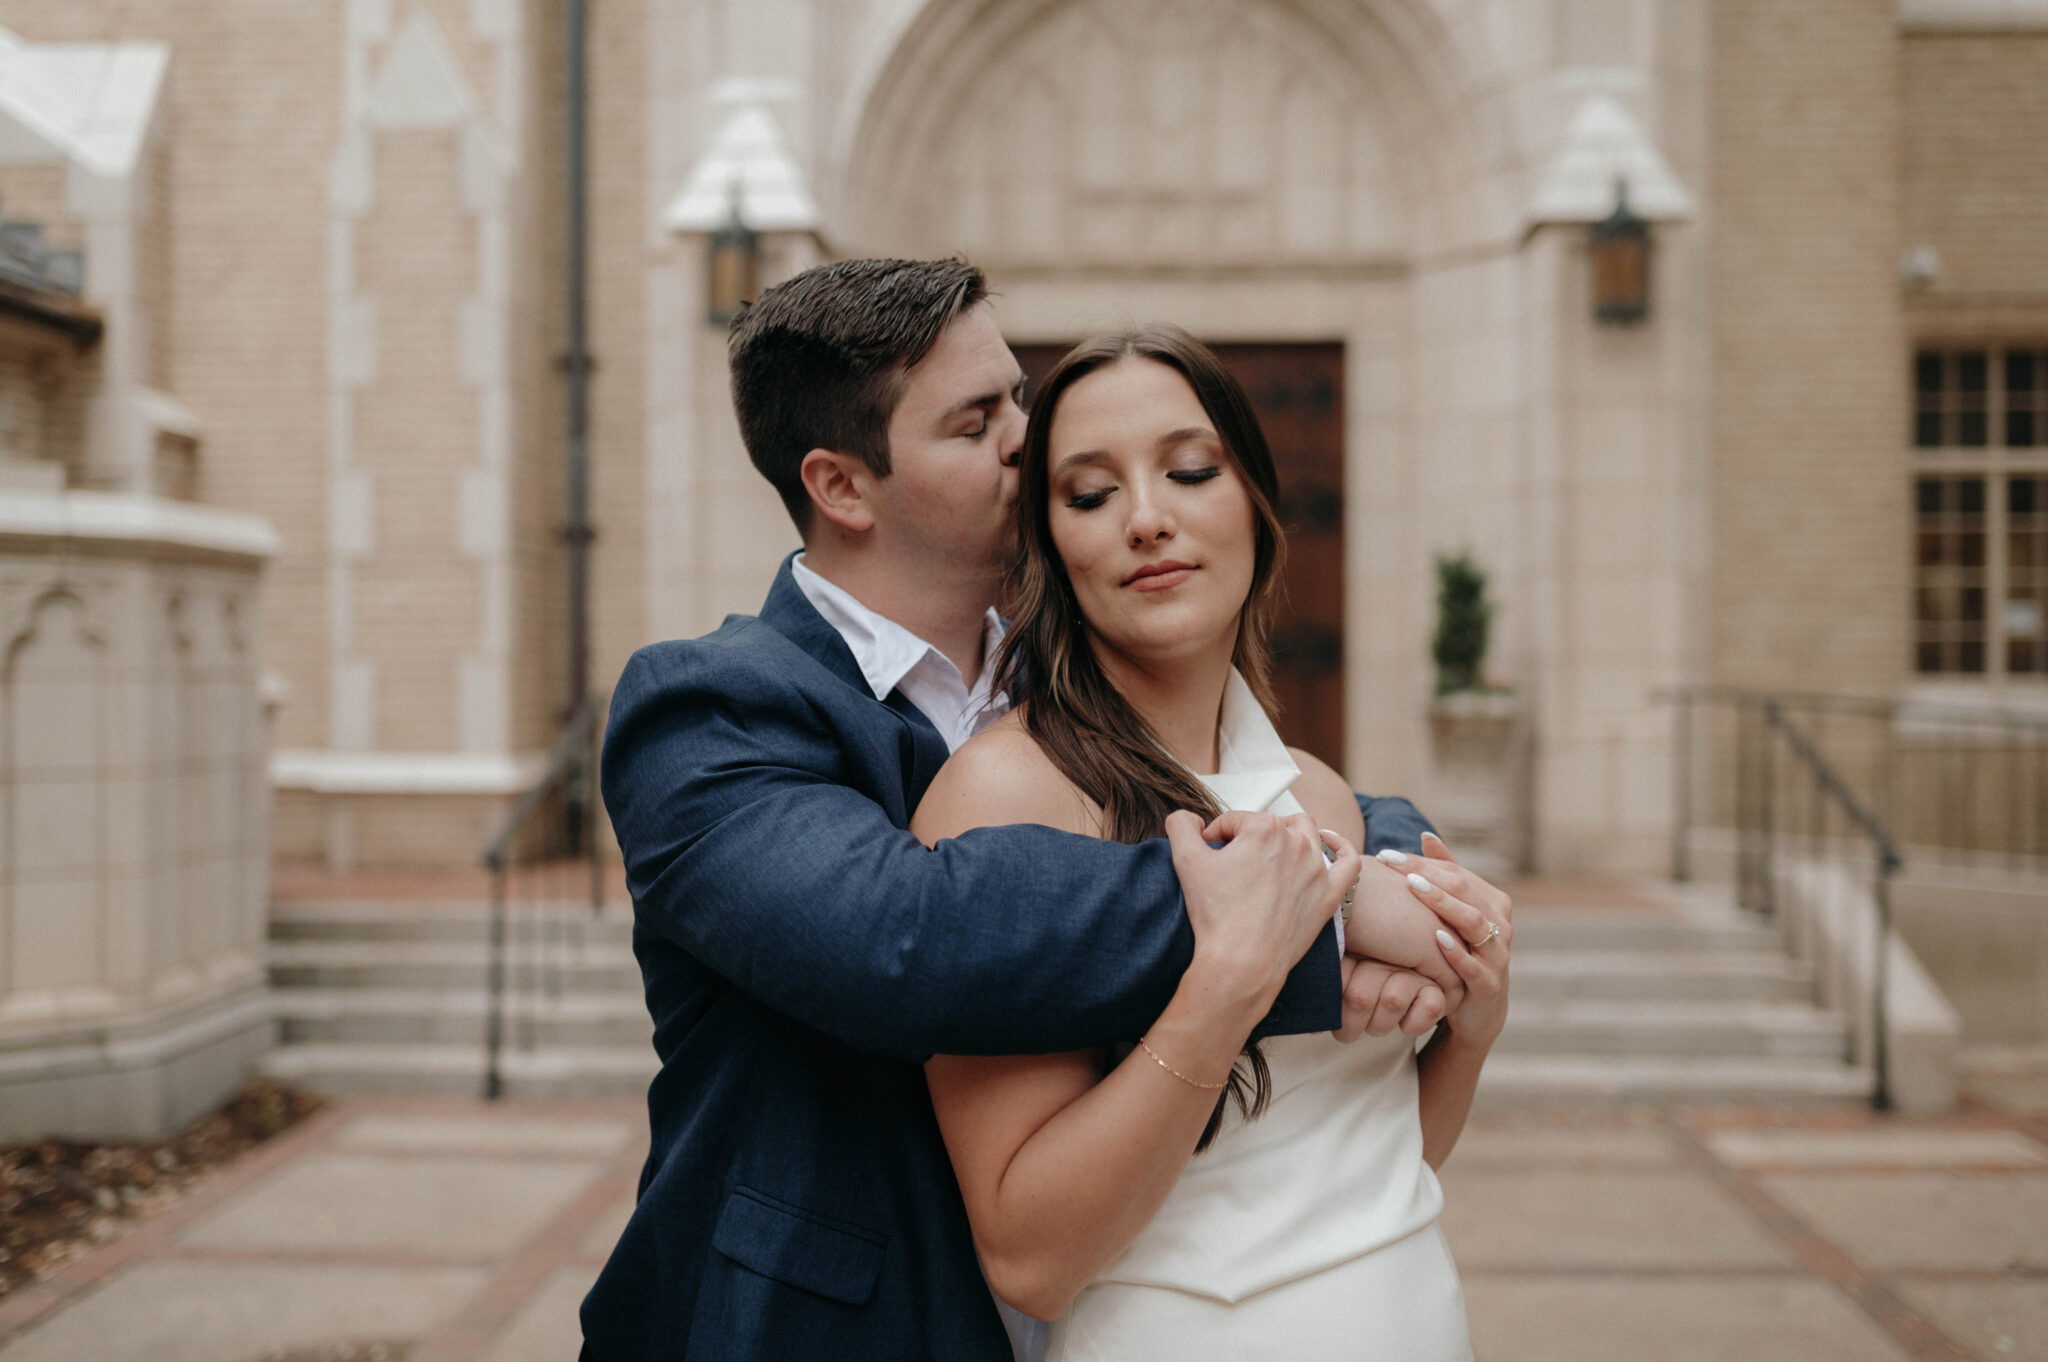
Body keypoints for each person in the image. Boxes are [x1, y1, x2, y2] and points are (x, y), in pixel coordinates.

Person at [582, 258, 1508, 1361]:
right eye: (978, 422)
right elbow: (905, 935)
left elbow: (1284, 790)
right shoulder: (713, 707)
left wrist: (1406, 871)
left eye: (1018, 399)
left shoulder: (1068, 677)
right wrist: (1328, 907)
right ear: (841, 487)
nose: (1027, 442)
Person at [914, 326, 1511, 1360]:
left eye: (1189, 471)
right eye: (1090, 495)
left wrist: (1472, 1021)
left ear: (1254, 505)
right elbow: (1028, 1256)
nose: (1147, 520)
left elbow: (1380, 1161)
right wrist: (1227, 979)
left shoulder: (1316, 791)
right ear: (1053, 548)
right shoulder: (1005, 794)